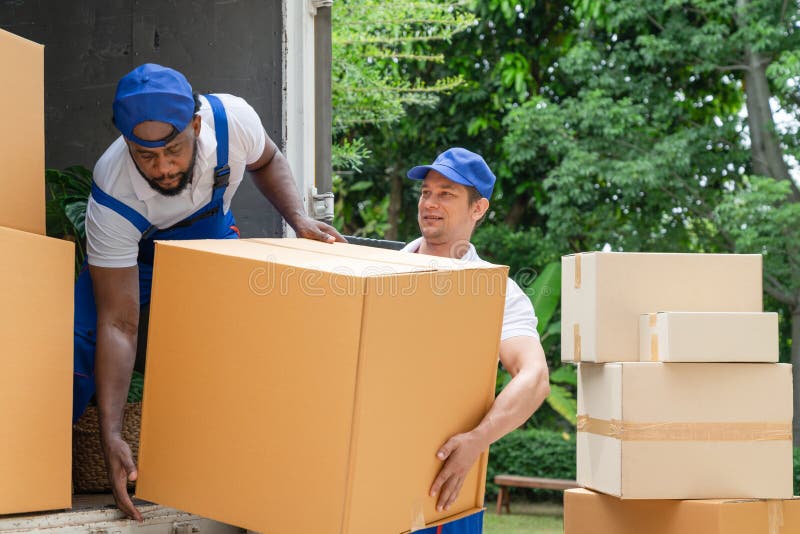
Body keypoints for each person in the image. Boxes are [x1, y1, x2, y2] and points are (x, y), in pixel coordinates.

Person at [73, 63, 344, 520]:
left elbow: (269, 161)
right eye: (146, 156)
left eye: (174, 150)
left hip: (209, 245)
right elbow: (120, 323)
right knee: (75, 346)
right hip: (133, 263)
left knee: (240, 350)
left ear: (195, 125)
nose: (163, 168)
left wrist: (298, 219)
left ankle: (241, 478)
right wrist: (112, 433)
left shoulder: (233, 120)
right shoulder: (113, 189)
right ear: (126, 144)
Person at [402, 147, 551, 523]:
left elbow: (534, 379)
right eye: (426, 192)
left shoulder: (495, 291)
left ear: (478, 209)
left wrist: (477, 440)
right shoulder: (378, 272)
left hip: (442, 483)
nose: (430, 203)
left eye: (446, 194)